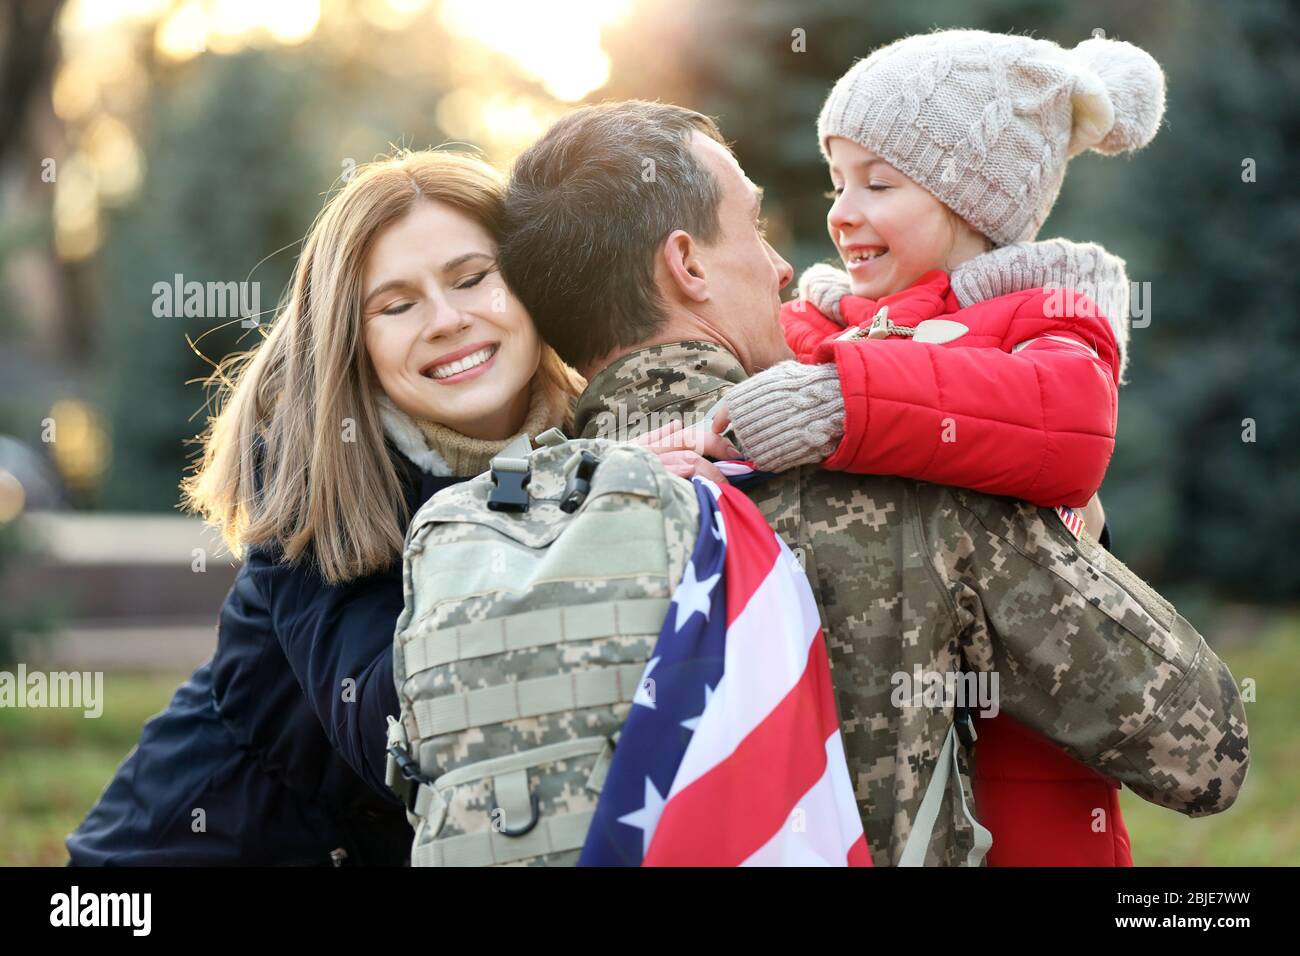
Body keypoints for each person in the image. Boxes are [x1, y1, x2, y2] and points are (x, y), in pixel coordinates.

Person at [497, 99, 1249, 865]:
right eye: (753, 227)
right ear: (687, 264)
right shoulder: (902, 482)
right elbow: (1207, 748)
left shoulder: (501, 520)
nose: (783, 267)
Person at [713, 29, 1167, 865]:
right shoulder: (814, 327)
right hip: (856, 770)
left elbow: (1066, 427)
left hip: (1019, 793)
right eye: (836, 181)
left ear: (976, 200)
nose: (842, 210)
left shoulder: (1049, 319)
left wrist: (846, 400)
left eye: (878, 183)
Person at [65, 150, 587, 865]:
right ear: (354, 338)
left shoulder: (599, 438)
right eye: (396, 305)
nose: (446, 319)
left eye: (472, 279)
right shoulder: (315, 474)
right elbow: (391, 730)